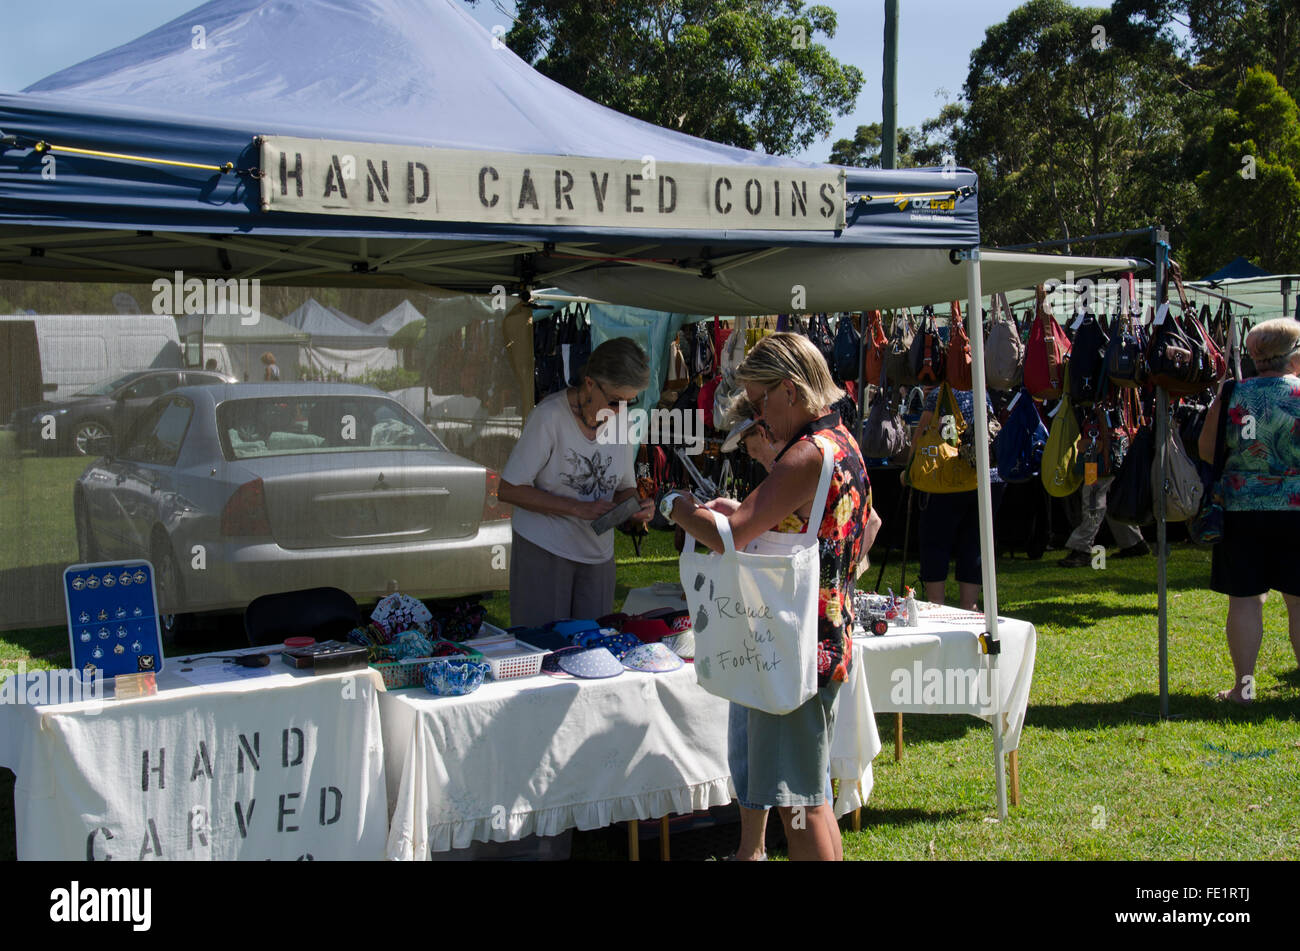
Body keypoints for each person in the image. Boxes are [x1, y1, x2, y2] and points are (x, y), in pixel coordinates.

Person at [663, 332, 869, 861]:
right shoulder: (842, 443)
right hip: (823, 635)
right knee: (810, 791)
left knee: (801, 805)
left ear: (792, 390)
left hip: (793, 646)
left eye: (760, 402)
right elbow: (824, 528)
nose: (758, 416)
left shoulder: (806, 453)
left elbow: (730, 537)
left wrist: (675, 504)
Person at [498, 337, 654, 627]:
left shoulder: (620, 422)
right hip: (544, 552)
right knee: (545, 650)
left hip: (597, 556)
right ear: (590, 383)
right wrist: (577, 508)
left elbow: (624, 487)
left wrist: (635, 507)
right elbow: (508, 488)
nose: (620, 410)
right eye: (615, 401)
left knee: (594, 651)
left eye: (630, 402)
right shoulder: (549, 417)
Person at [1197, 318, 1300, 705]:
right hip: (1296, 509)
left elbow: (1208, 451)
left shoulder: (1232, 394)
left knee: (1244, 600)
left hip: (1241, 510)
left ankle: (1244, 689)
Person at [902, 384, 1004, 611]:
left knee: (935, 542)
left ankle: (936, 606)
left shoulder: (941, 393)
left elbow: (921, 436)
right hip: (984, 478)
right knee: (974, 544)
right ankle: (970, 606)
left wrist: (908, 471)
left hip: (947, 480)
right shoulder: (982, 388)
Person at [1057, 477, 1150, 566]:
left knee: (1093, 499)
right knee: (1110, 495)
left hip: (1097, 463)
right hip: (1109, 463)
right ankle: (1133, 543)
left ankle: (1082, 548)